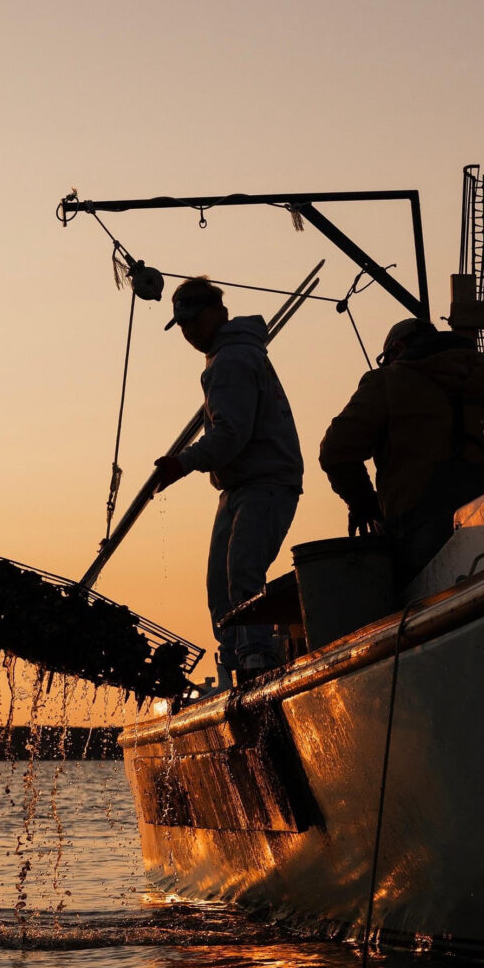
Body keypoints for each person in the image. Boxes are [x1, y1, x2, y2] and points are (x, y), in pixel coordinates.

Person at [154, 276, 303, 685]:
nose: (189, 332)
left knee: (243, 575)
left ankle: (257, 661)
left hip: (266, 481)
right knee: (220, 586)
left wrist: (183, 463)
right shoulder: (226, 357)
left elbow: (230, 434)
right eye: (182, 326)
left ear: (218, 312)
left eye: (194, 321)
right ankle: (236, 662)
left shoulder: (232, 360)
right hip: (240, 484)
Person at [319, 317, 484, 583]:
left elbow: (335, 451)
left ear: (397, 349)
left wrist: (365, 506)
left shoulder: (388, 382)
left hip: (419, 551)